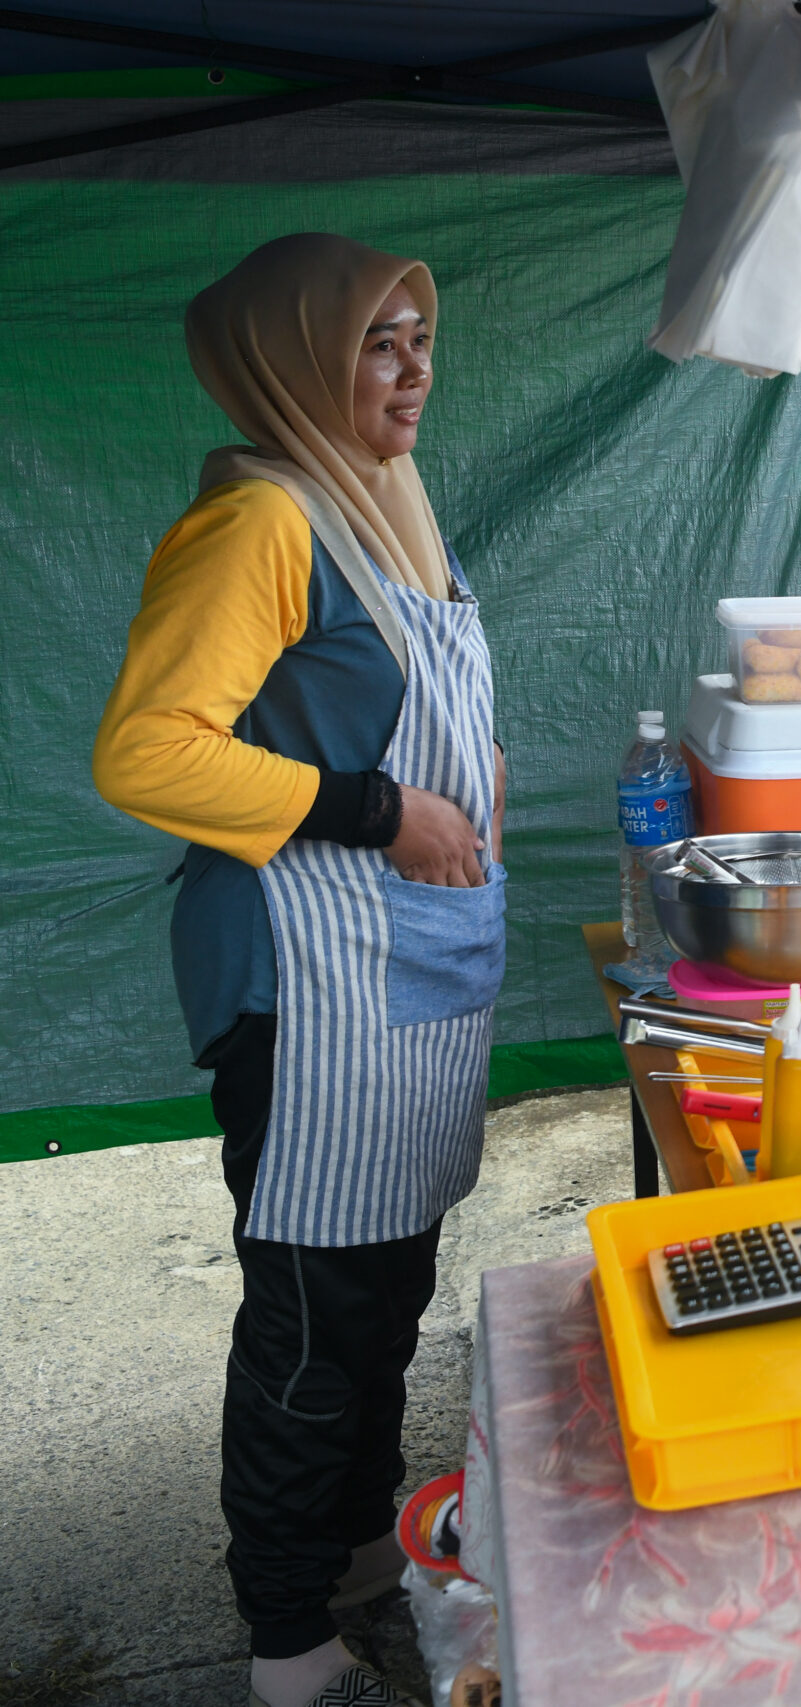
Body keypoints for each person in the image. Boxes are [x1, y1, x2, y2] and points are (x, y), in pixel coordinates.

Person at [93, 234, 503, 1707]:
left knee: (388, 1289)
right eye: (375, 342)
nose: (411, 369)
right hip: (301, 984)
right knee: (315, 1317)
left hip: (399, 967)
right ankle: (284, 1640)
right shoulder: (261, 518)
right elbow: (146, 752)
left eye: (419, 337)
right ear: (293, 359)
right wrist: (383, 809)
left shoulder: (382, 506)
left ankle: (356, 1550)